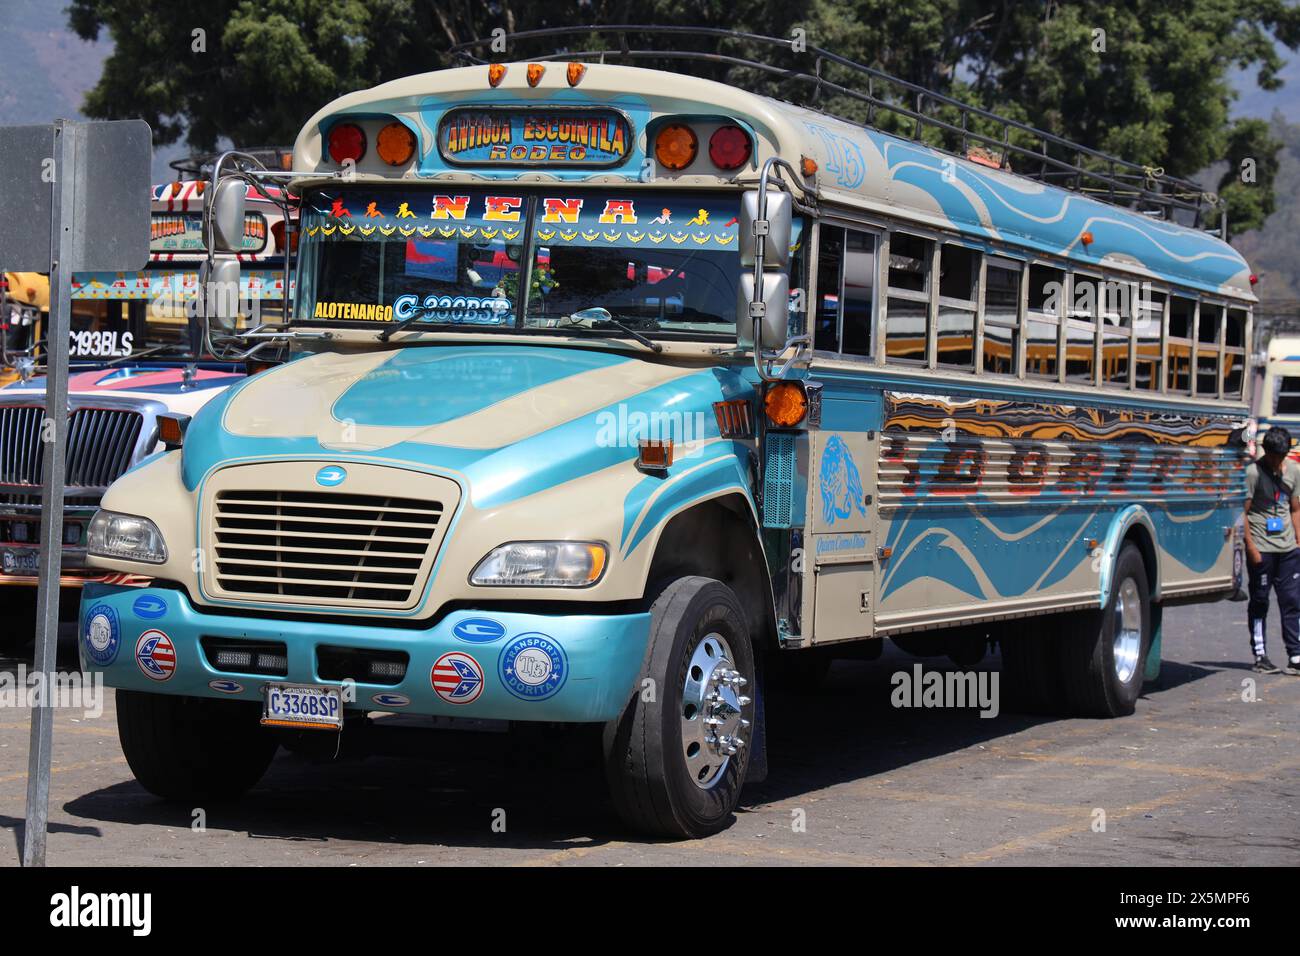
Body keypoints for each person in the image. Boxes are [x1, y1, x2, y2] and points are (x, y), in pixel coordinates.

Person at [1244, 426, 1300, 674]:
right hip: (1262, 546)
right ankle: (1260, 654)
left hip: (1288, 548)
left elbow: (1296, 508)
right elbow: (1242, 514)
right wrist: (1251, 548)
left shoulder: (1295, 471)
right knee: (1260, 601)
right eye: (1275, 455)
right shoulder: (1253, 473)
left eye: (1283, 455)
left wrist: (1298, 541)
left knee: (1292, 601)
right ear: (1266, 452)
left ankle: (1296, 654)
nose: (1279, 460)